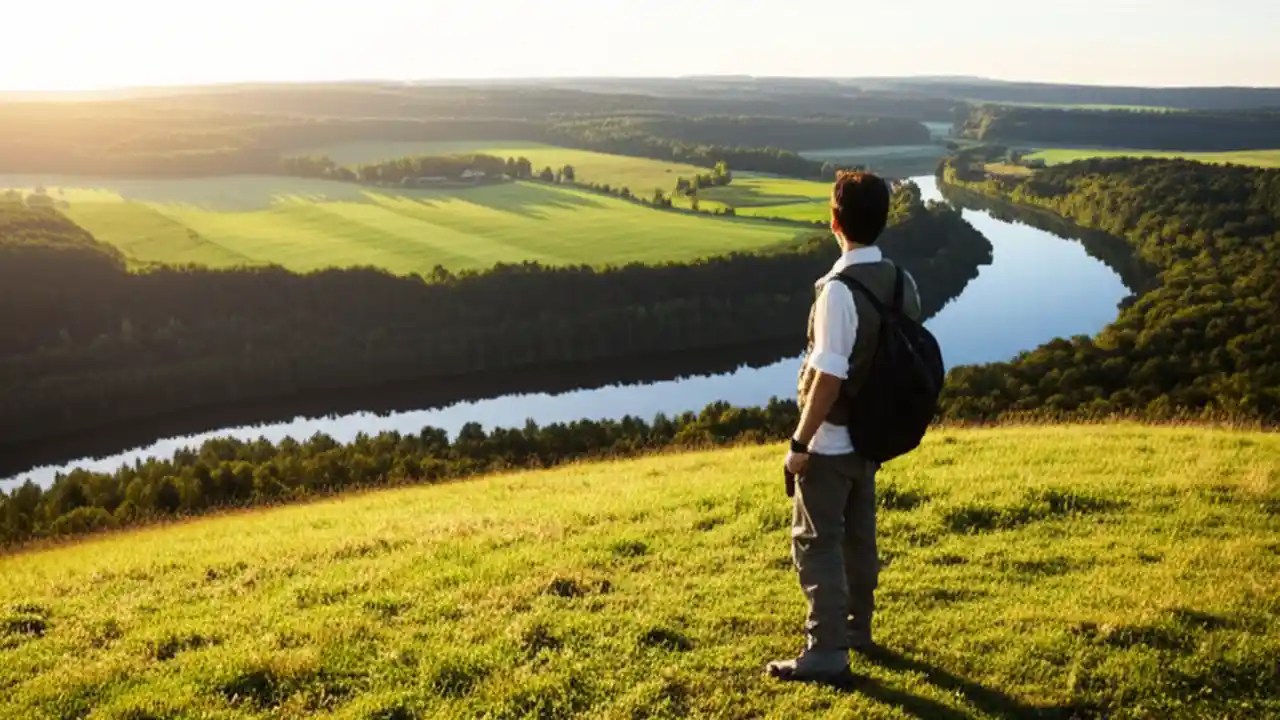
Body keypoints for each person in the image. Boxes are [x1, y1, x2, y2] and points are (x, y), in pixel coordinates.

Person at [766, 171, 922, 683]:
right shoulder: (902, 281)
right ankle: (857, 630)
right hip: (874, 437)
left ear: (834, 221)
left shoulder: (838, 291)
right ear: (884, 220)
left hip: (832, 441)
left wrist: (798, 444)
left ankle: (826, 652)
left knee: (816, 544)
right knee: (858, 539)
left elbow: (828, 377)